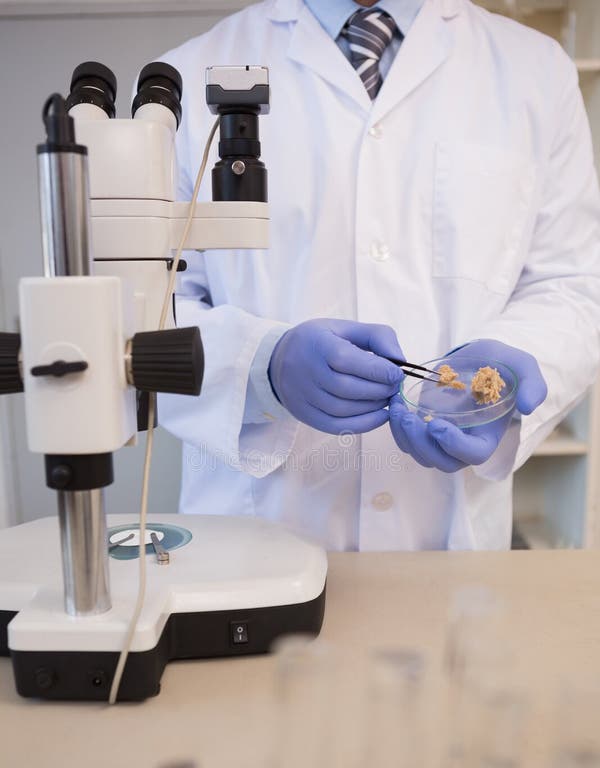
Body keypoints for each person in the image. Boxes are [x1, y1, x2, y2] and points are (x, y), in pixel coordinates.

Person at [158, 0, 600, 551]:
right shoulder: (179, 81)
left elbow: (572, 285)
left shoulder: (536, 71)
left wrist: (504, 378)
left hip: (449, 547)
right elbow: (143, 313)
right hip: (252, 548)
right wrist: (259, 367)